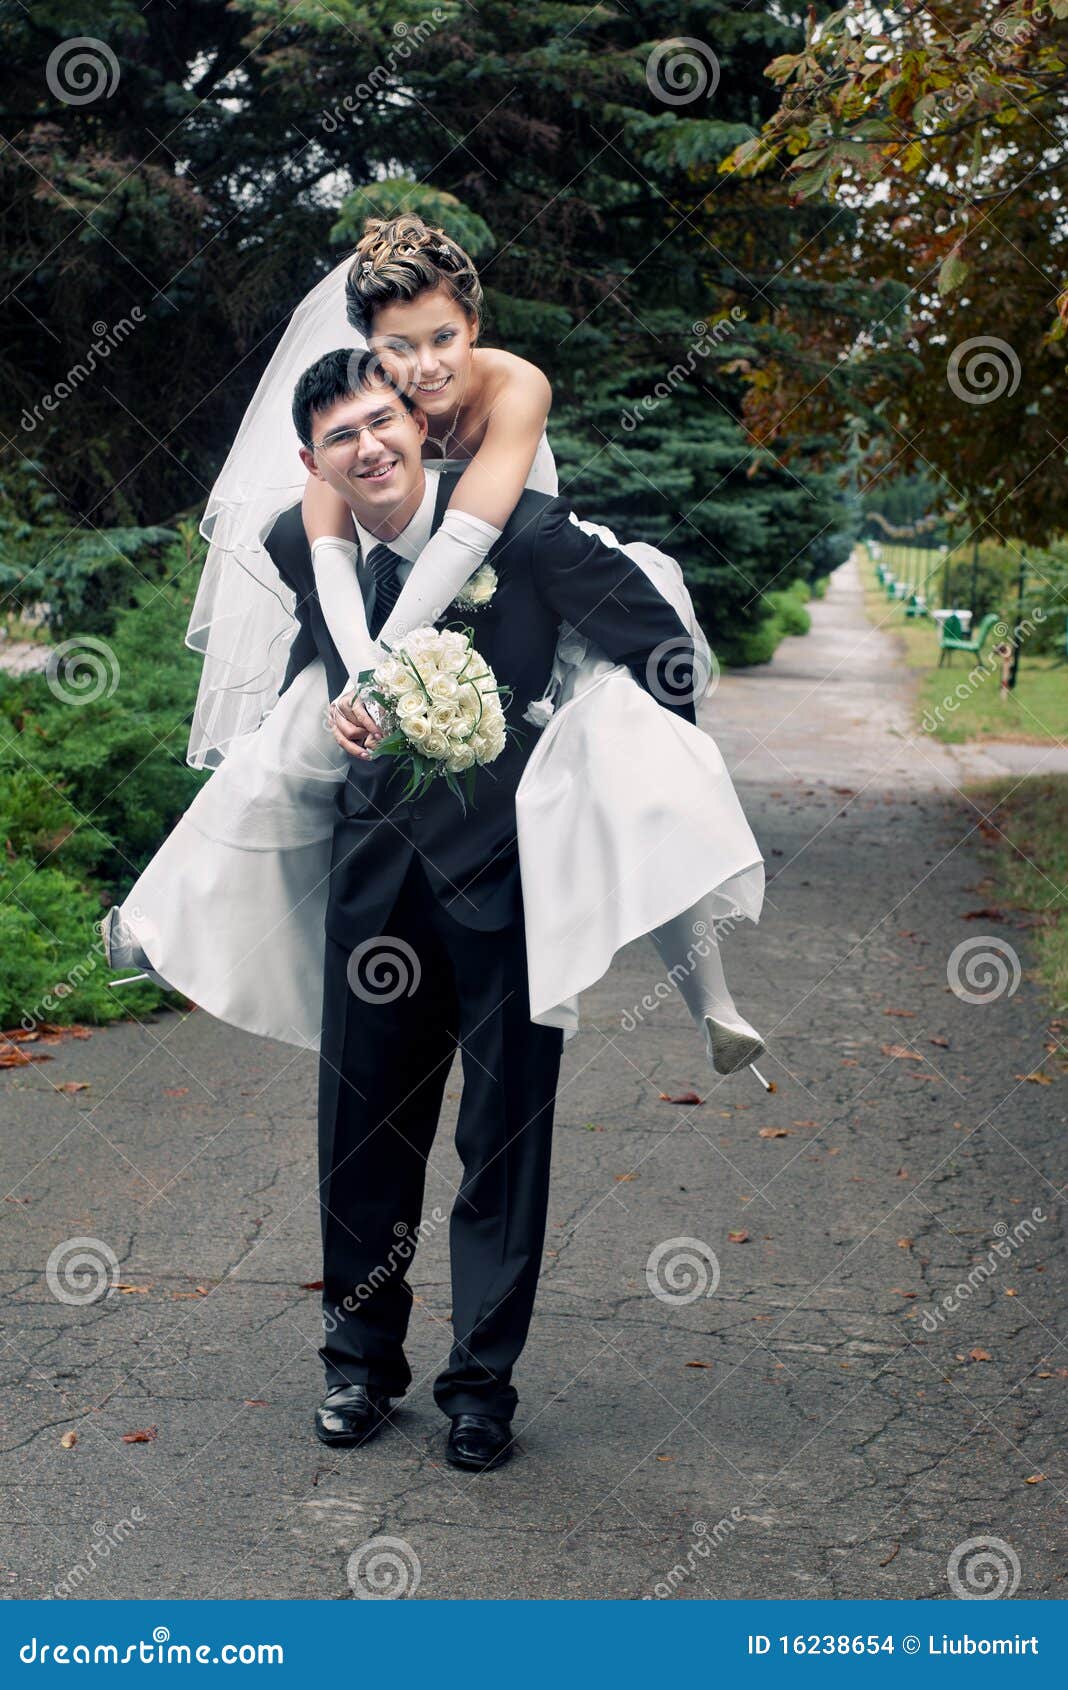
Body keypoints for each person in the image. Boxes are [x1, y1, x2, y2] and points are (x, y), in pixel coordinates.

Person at [105, 215, 767, 1081]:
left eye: (443, 338)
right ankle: (162, 925)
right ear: (371, 348)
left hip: (533, 601)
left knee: (629, 750)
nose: (426, 367)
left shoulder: (515, 387)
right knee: (285, 750)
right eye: (399, 347)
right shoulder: (369, 415)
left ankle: (711, 998)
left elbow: (467, 537)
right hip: (392, 624)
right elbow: (330, 553)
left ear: (474, 325)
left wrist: (383, 666)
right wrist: (360, 675)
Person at [274, 348, 707, 1468]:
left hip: (513, 890)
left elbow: (666, 661)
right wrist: (323, 721)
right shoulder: (309, 556)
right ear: (314, 462)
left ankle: (482, 1384)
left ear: (416, 427)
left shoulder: (525, 534)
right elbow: (302, 695)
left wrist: (564, 754)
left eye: (382, 421)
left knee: (502, 1138)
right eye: (341, 438)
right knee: (361, 1134)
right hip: (373, 892)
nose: (368, 447)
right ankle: (357, 1364)